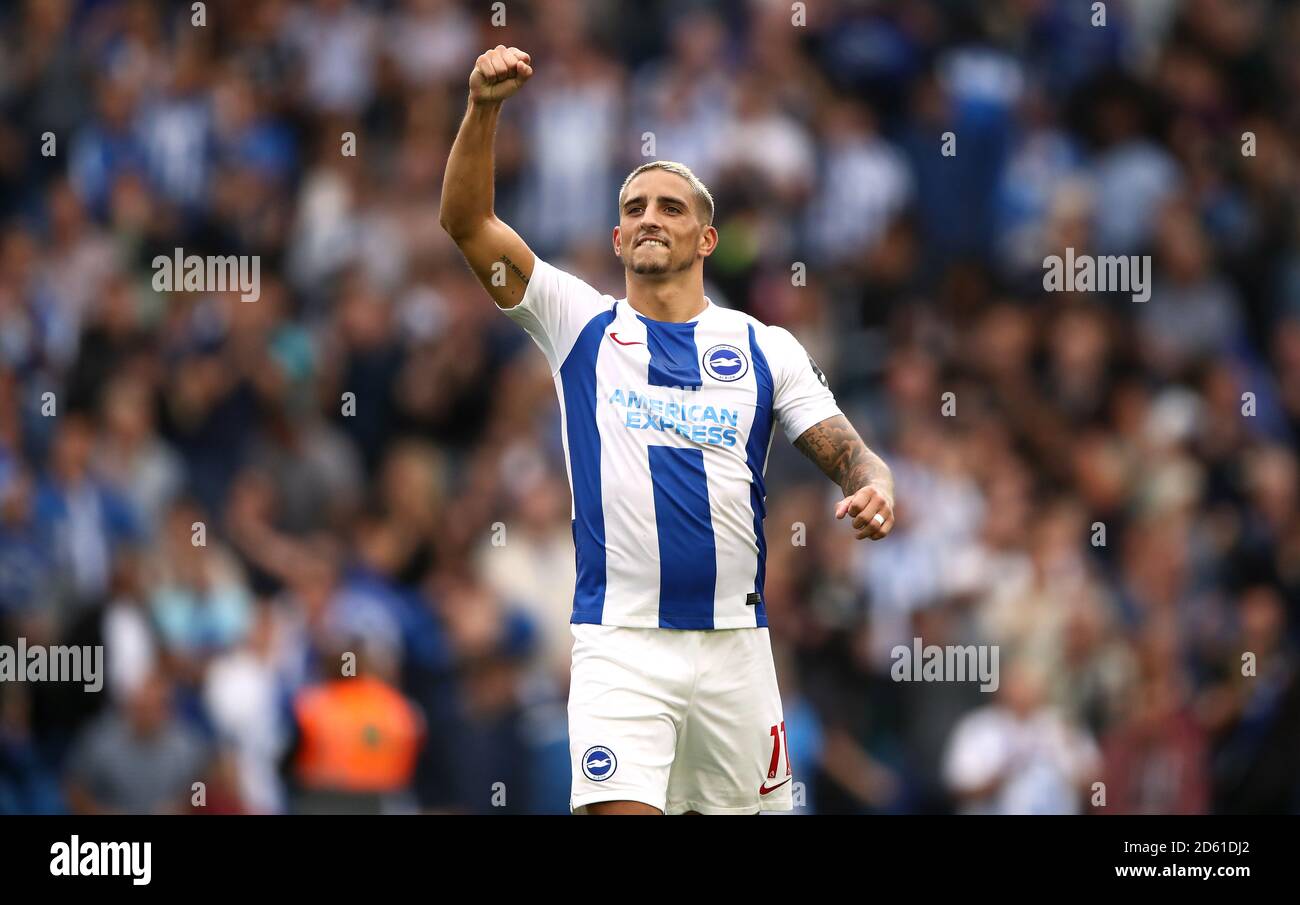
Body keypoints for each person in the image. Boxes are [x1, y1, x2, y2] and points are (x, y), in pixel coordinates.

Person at [439, 45, 895, 815]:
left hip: (736, 651)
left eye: (671, 207)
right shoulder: (577, 322)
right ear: (617, 241)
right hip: (622, 643)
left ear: (707, 240)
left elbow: (848, 450)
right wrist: (483, 108)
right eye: (634, 209)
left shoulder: (762, 346)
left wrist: (874, 484)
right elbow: (466, 222)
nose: (649, 217)